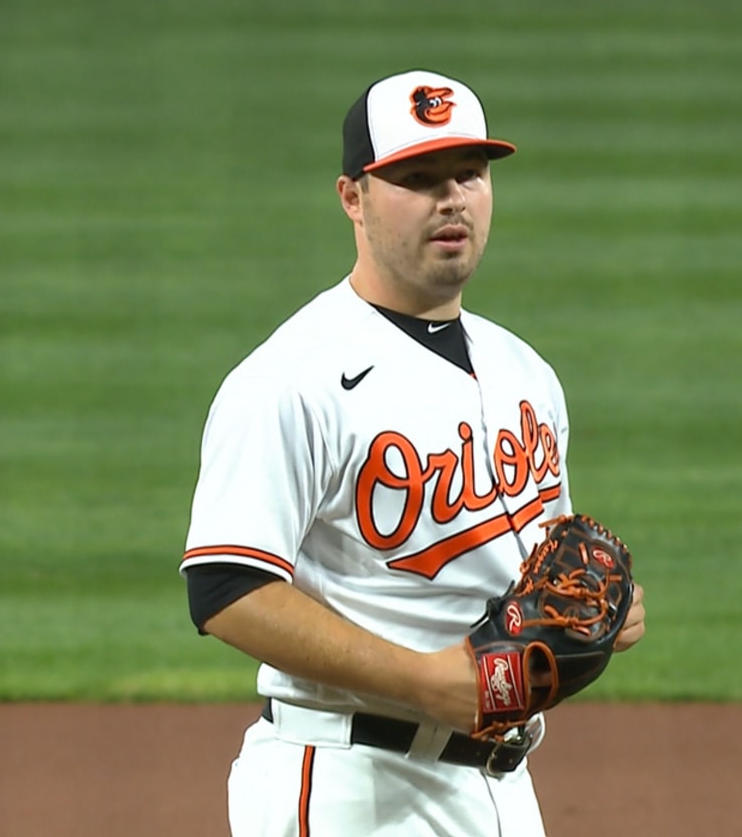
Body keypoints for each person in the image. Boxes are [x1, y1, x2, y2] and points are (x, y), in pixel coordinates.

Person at [179, 68, 647, 837]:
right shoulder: (291, 377)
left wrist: (609, 611)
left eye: (468, 173)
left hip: (502, 785)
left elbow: (549, 568)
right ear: (351, 198)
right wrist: (427, 682)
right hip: (348, 785)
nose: (451, 197)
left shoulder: (525, 370)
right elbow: (226, 588)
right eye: (417, 177)